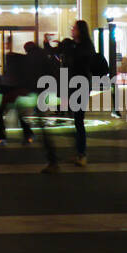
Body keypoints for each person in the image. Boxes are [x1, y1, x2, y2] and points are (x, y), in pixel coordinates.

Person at [42, 20, 93, 170]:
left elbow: (81, 60)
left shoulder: (86, 47)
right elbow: (53, 52)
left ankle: (82, 153)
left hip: (81, 85)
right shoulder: (70, 44)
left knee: (78, 119)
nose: (72, 30)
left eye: (74, 28)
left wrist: (68, 47)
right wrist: (47, 43)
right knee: (75, 118)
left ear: (81, 30)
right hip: (70, 84)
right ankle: (78, 151)